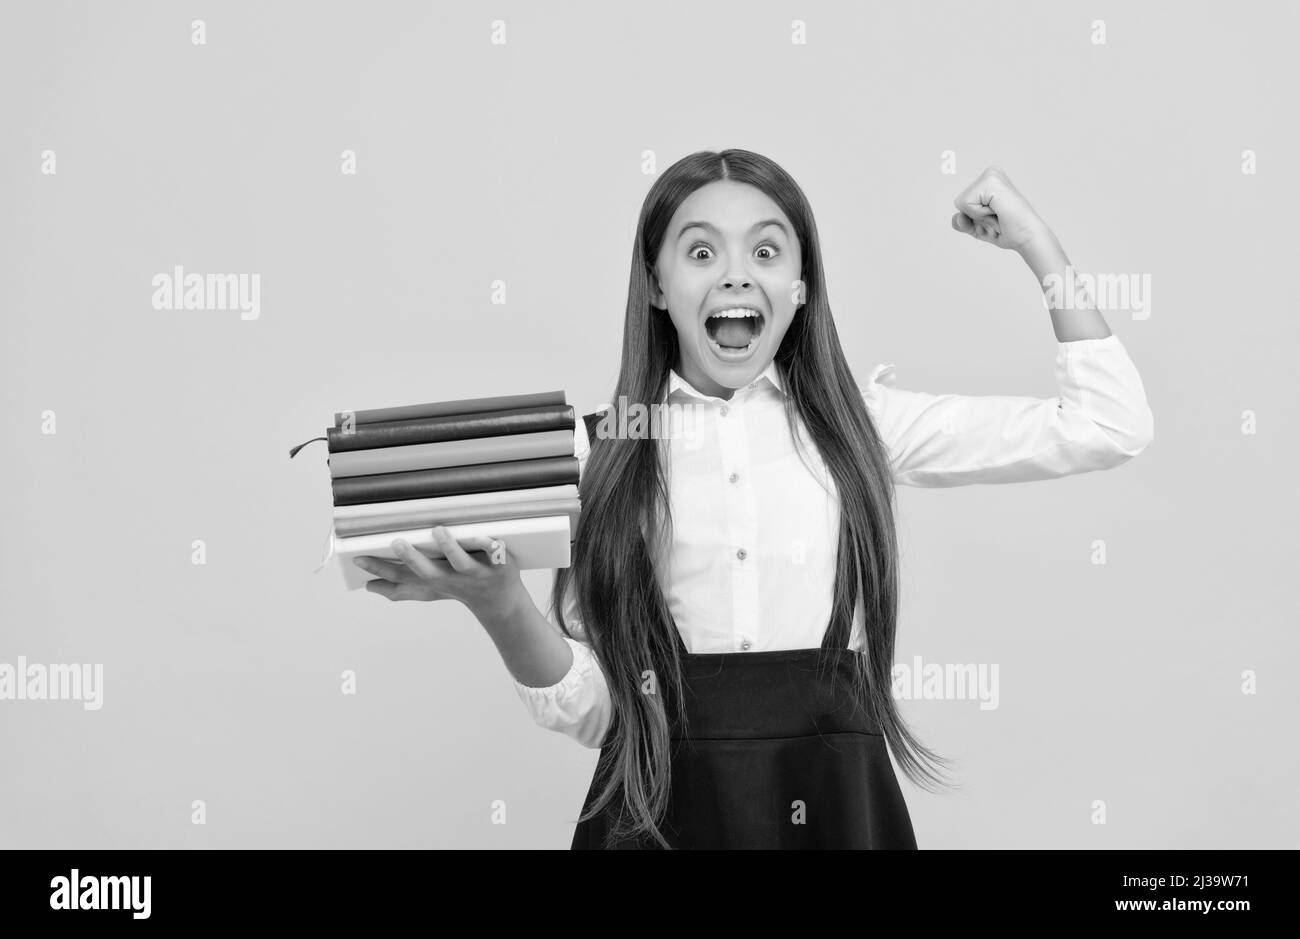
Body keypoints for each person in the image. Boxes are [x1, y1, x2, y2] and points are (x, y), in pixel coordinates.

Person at [353, 149, 1154, 849]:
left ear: (800, 287)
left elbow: (1108, 425)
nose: (736, 272)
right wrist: (496, 603)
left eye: (766, 251)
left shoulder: (859, 427)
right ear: (658, 285)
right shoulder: (597, 450)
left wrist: (1035, 244)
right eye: (701, 251)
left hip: (837, 805)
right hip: (657, 814)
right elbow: (599, 715)